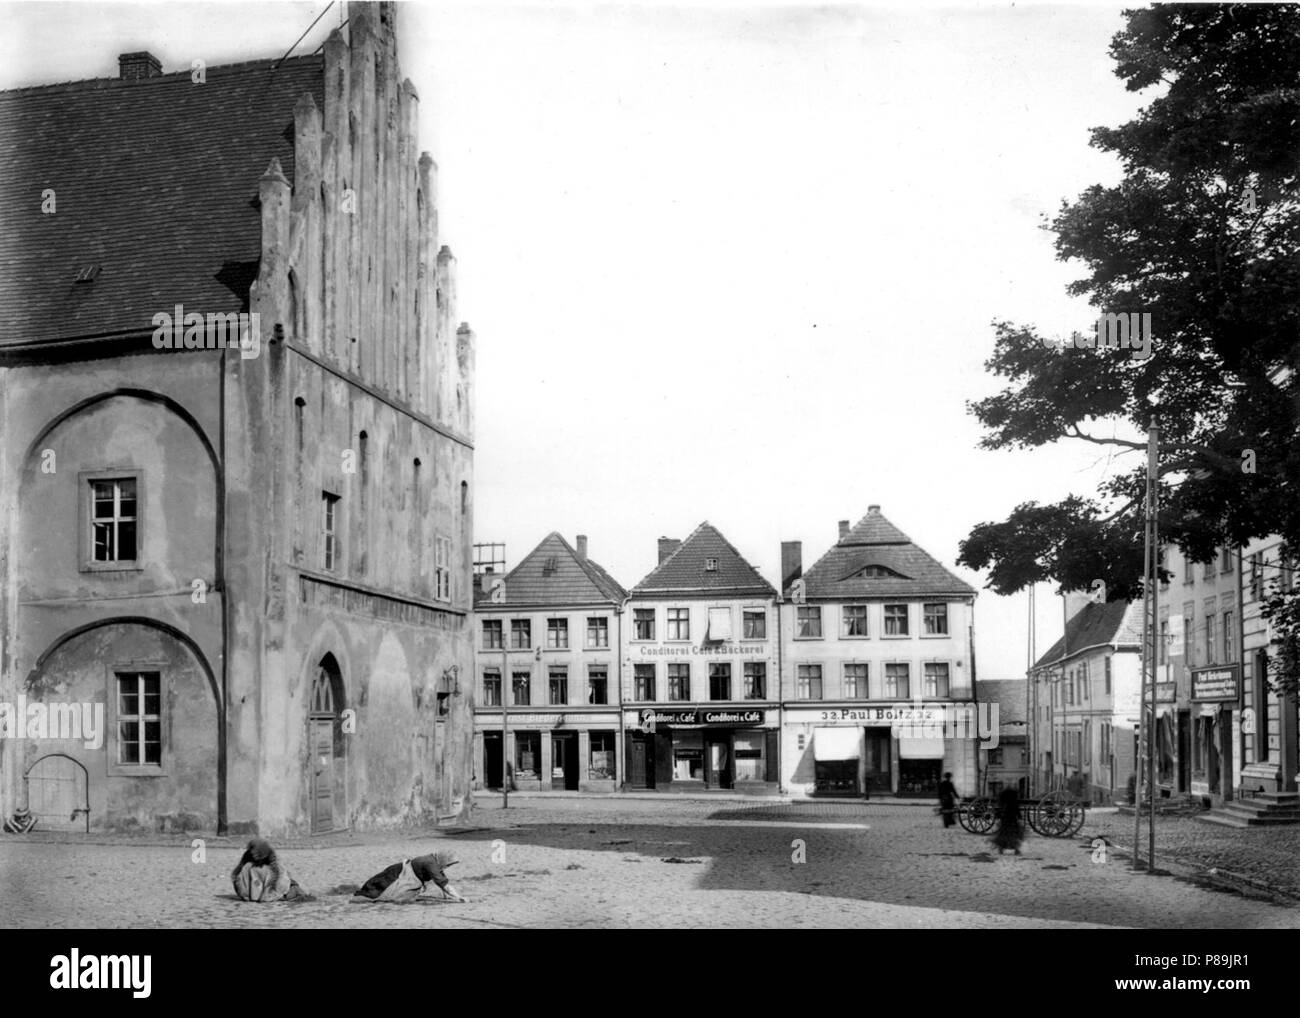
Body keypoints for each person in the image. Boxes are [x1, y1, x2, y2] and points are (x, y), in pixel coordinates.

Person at [991, 785, 1025, 855]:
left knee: (1003, 835)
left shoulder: (1003, 804)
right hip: (1013, 821)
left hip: (1005, 821)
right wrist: (1020, 818)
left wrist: (998, 817)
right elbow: (1017, 811)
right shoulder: (1014, 803)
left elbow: (999, 811)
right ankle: (1016, 850)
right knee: (1014, 835)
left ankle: (1001, 849)